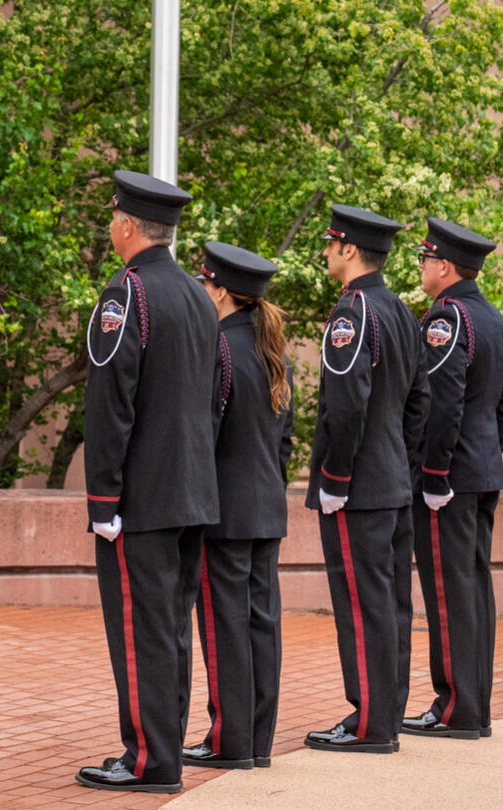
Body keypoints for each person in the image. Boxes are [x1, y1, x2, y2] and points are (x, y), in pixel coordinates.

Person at [74, 171, 220, 795]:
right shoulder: (195, 294)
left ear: (129, 226)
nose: (111, 228)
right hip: (191, 490)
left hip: (142, 498)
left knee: (140, 631)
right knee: (170, 631)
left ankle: (148, 762)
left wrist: (103, 496)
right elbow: (215, 397)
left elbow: (111, 405)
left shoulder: (126, 295)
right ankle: (164, 752)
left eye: (114, 219)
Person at [303, 205, 430, 754]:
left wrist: (335, 475)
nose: (327, 252)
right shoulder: (399, 309)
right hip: (392, 479)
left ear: (350, 249)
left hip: (359, 487)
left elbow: (346, 404)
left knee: (363, 605)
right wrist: (399, 458)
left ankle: (370, 724)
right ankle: (387, 713)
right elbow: (420, 400)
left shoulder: (354, 312)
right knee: (390, 604)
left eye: (332, 244)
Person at [182, 242, 293, 771]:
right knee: (259, 625)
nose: (203, 293)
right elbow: (284, 438)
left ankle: (230, 742)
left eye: (206, 284)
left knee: (226, 628)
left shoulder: (219, 348)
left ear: (222, 291)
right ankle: (256, 740)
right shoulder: (272, 350)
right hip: (266, 506)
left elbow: (205, 434)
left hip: (224, 511)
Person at [402, 217, 503, 740]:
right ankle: (474, 704)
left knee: (448, 592)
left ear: (443, 266)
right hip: (481, 468)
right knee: (472, 590)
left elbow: (441, 403)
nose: (421, 267)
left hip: (450, 477)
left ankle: (456, 709)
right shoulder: (491, 318)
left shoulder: (447, 319)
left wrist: (436, 471)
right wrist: (487, 453)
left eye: (425, 260)